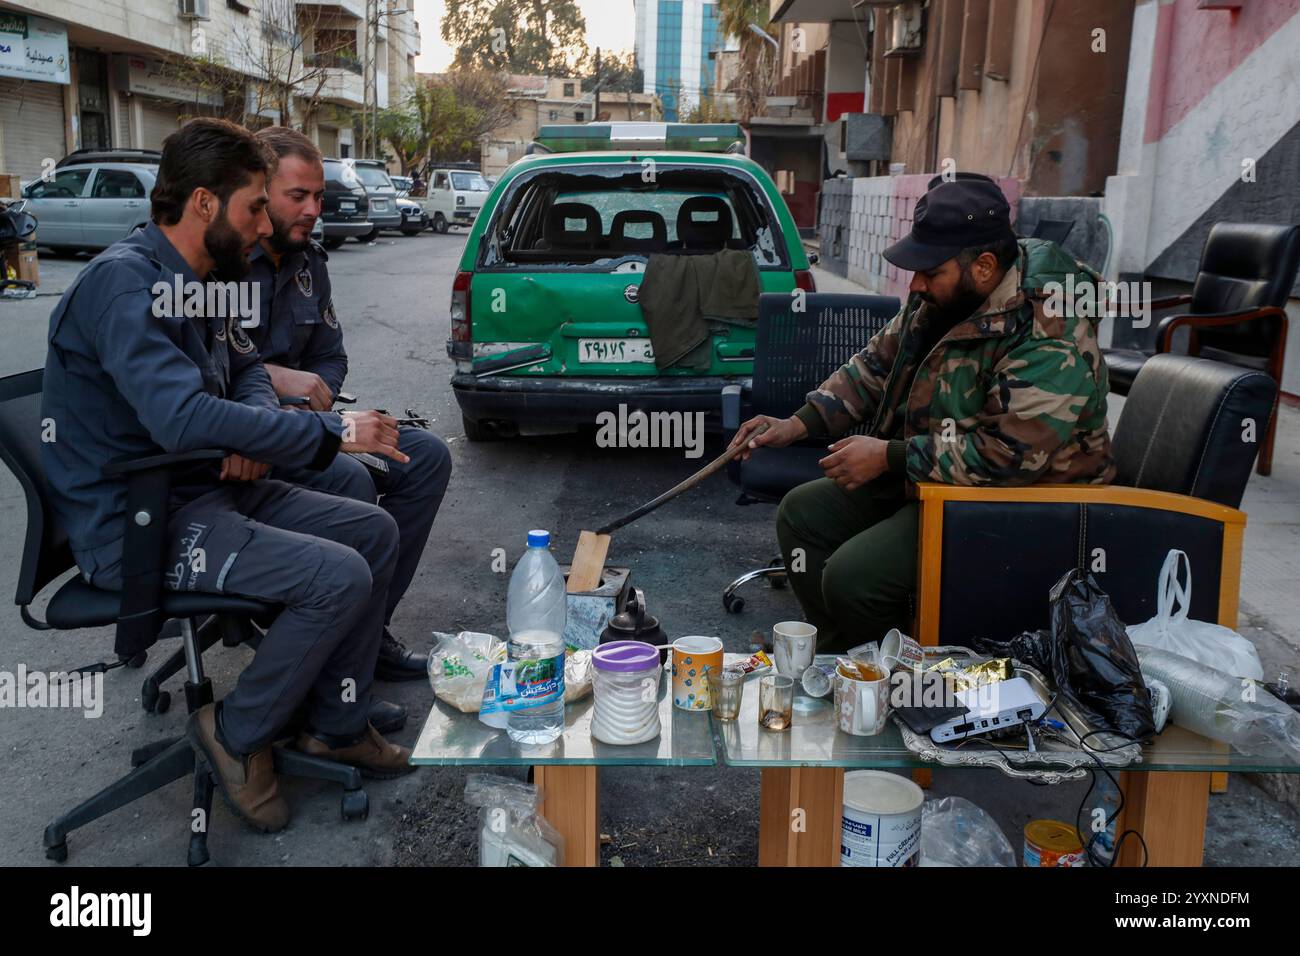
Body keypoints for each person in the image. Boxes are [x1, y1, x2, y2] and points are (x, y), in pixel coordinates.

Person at [42, 118, 414, 833]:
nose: (263, 223)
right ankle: (237, 733)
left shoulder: (202, 277)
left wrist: (246, 428)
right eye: (253, 207)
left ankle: (334, 722)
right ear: (206, 204)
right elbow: (181, 419)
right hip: (139, 525)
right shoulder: (126, 287)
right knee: (333, 575)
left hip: (198, 489)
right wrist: (327, 431)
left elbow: (244, 369)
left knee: (370, 528)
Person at [729, 174, 1115, 652]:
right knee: (802, 515)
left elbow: (1011, 458)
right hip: (937, 479)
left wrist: (890, 457)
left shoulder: (1049, 325)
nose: (916, 283)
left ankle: (904, 684)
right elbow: (872, 367)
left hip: (1020, 504)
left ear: (985, 266)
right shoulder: (941, 297)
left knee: (853, 577)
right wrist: (796, 424)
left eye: (930, 271)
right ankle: (839, 662)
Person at [246, 126, 452, 683]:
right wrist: (278, 381)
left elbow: (332, 357)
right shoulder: (218, 266)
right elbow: (203, 379)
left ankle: (366, 632)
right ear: (257, 193)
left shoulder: (310, 261)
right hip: (252, 437)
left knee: (425, 457)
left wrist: (319, 395)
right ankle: (332, 652)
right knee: (351, 482)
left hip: (315, 424)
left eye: (318, 196)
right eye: (298, 197)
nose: (314, 209)